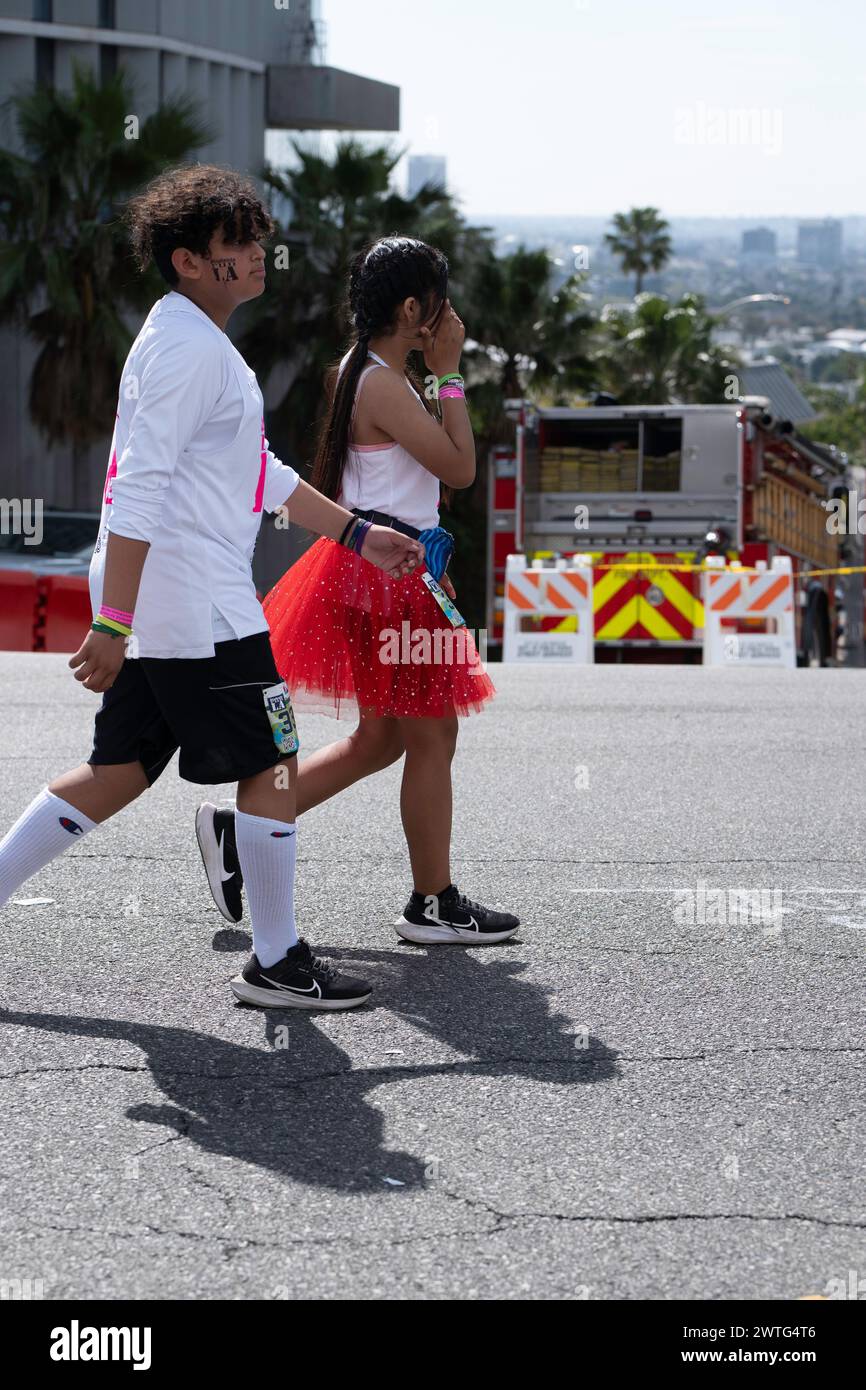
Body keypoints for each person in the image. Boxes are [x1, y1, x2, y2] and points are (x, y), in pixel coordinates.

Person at [0, 167, 424, 1010]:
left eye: (257, 237)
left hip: (176, 600)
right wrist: (112, 622)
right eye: (237, 243)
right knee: (273, 758)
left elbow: (254, 471)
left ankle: (275, 955)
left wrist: (357, 534)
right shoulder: (188, 351)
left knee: (118, 769)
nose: (257, 253)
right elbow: (138, 490)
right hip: (196, 603)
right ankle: (276, 958)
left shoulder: (190, 340)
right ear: (189, 260)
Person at [196, 235, 520, 946]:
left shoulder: (359, 369)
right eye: (440, 301)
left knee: (380, 740)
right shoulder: (381, 380)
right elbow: (459, 468)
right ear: (413, 308)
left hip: (382, 569)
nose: (450, 316)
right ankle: (432, 903)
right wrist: (450, 376)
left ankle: (244, 825)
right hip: (389, 574)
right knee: (432, 733)